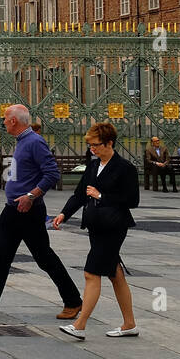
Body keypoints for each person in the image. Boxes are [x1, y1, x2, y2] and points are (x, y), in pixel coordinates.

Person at [0, 103, 82, 320]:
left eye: (5, 119)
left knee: (44, 257)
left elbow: (52, 173)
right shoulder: (23, 141)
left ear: (14, 121)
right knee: (0, 257)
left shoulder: (34, 142)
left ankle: (73, 301)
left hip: (28, 211)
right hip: (13, 210)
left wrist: (31, 196)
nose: (4, 122)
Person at [53, 122, 141, 339]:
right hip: (96, 225)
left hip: (114, 226)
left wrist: (101, 196)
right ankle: (129, 323)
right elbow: (80, 194)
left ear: (109, 143)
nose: (92, 149)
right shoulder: (93, 166)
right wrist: (64, 214)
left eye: (96, 145)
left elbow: (132, 200)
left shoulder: (125, 168)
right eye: (90, 146)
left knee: (91, 273)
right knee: (115, 274)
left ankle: (80, 324)